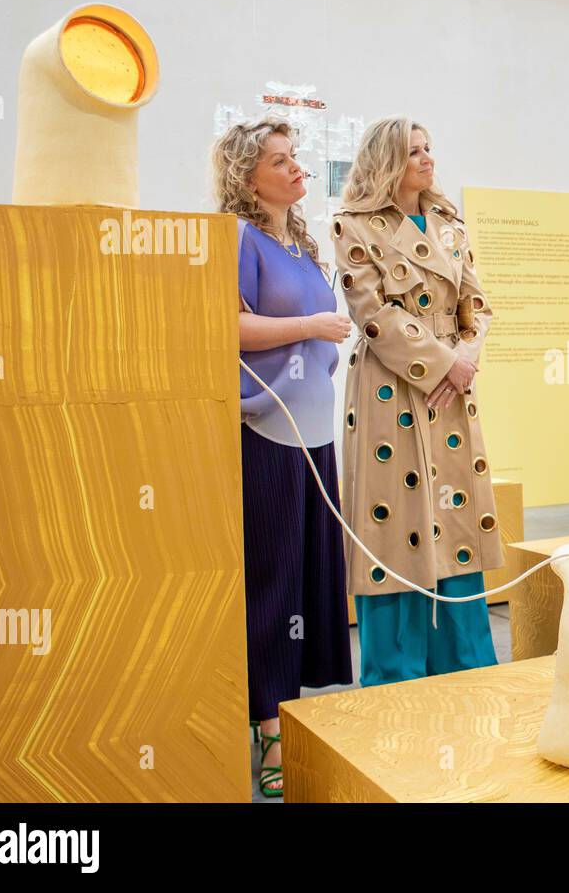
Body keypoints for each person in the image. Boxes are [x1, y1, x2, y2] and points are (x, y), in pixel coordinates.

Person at [331, 116, 501, 687]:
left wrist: (468, 356)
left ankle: (465, 664)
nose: (427, 160)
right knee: (394, 518)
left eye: (429, 149)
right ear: (385, 162)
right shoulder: (353, 225)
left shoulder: (449, 221)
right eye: (413, 153)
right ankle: (394, 674)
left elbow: (477, 300)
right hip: (392, 384)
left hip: (454, 383)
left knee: (455, 515)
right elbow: (372, 313)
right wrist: (444, 361)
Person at [213, 115, 355, 797]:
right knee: (274, 585)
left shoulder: (298, 244)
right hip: (266, 434)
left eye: (296, 157)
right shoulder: (238, 237)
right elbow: (225, 326)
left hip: (313, 432)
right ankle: (265, 735)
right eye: (281, 160)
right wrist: (311, 328)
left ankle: (296, 716)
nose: (298, 168)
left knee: (311, 582)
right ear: (248, 176)